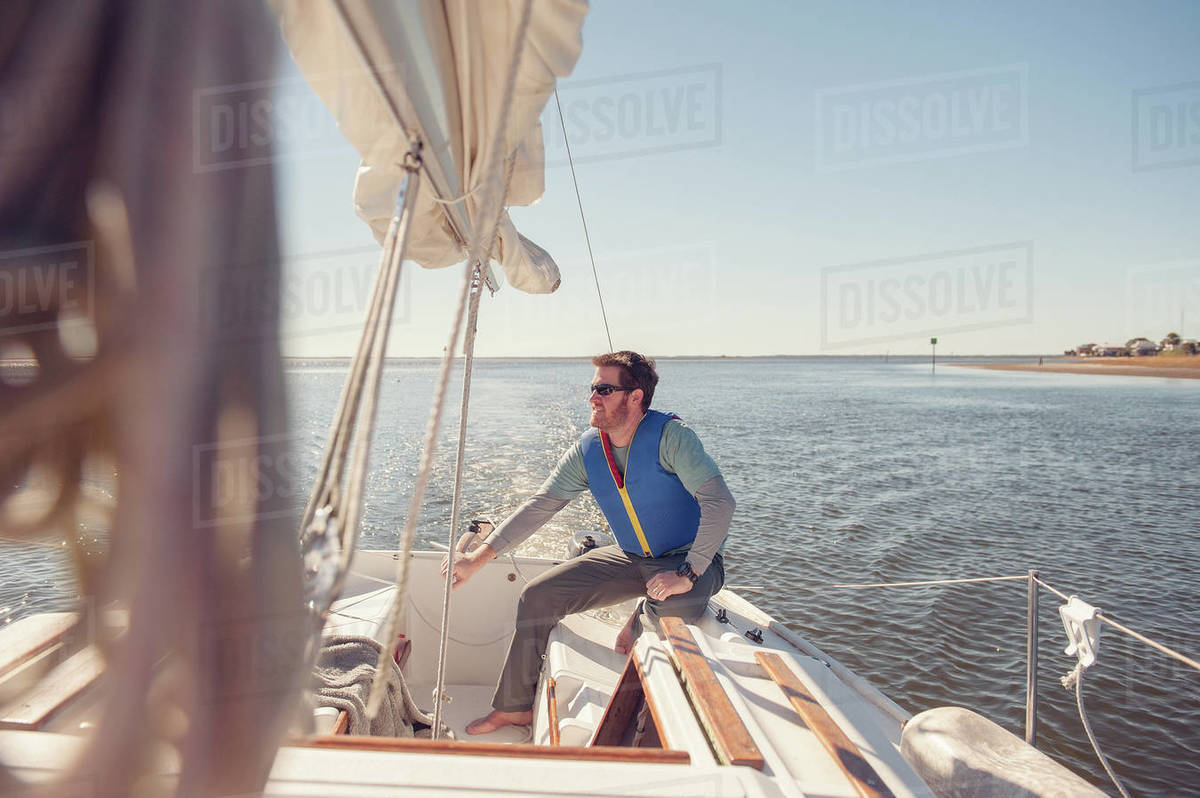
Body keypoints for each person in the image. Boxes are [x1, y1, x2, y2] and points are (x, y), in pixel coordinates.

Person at [443, 351, 735, 735]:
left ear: (635, 397)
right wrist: (477, 559)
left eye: (604, 388)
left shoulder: (672, 438)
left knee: (670, 609)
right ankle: (515, 707)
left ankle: (641, 634)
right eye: (592, 388)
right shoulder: (588, 450)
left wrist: (689, 571)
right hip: (630, 557)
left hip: (689, 562)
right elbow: (542, 505)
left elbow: (720, 502)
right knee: (538, 597)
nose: (592, 397)